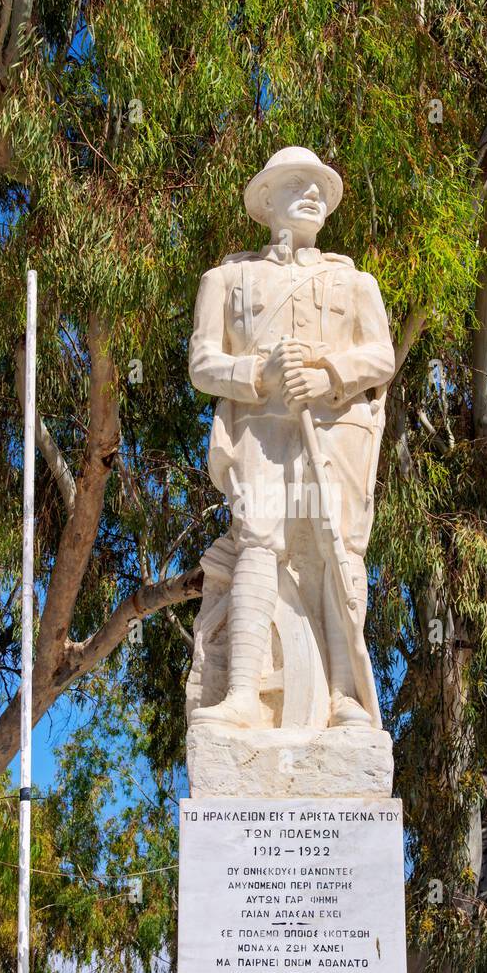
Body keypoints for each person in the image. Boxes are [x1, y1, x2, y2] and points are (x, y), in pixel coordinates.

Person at [188, 147, 395, 729]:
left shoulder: (354, 283)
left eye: (321, 188)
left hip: (333, 433)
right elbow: (203, 363)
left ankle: (345, 696)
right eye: (298, 183)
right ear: (266, 198)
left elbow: (379, 355)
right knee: (258, 541)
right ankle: (244, 695)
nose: (313, 194)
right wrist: (259, 375)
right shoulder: (227, 279)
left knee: (335, 547)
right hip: (258, 430)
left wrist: (329, 373)